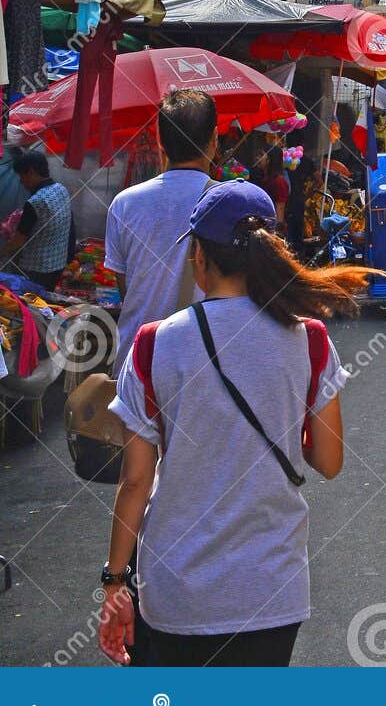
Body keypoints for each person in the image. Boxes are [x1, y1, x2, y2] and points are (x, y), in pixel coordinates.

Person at [99, 180, 365, 667]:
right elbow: (328, 460)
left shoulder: (154, 344)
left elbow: (136, 480)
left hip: (177, 588)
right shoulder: (310, 340)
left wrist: (115, 583)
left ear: (199, 256)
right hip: (270, 589)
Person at [104, 90, 218, 372]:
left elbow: (126, 287)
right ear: (214, 139)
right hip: (201, 362)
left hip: (136, 360)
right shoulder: (232, 203)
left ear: (159, 142)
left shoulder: (124, 203)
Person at [1, 147, 73, 291]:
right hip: (57, 264)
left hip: (36, 269)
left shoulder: (35, 202)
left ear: (32, 172)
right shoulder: (61, 189)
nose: (21, 181)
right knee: (45, 301)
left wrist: (2, 252)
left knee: (32, 304)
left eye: (22, 176)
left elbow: (18, 243)